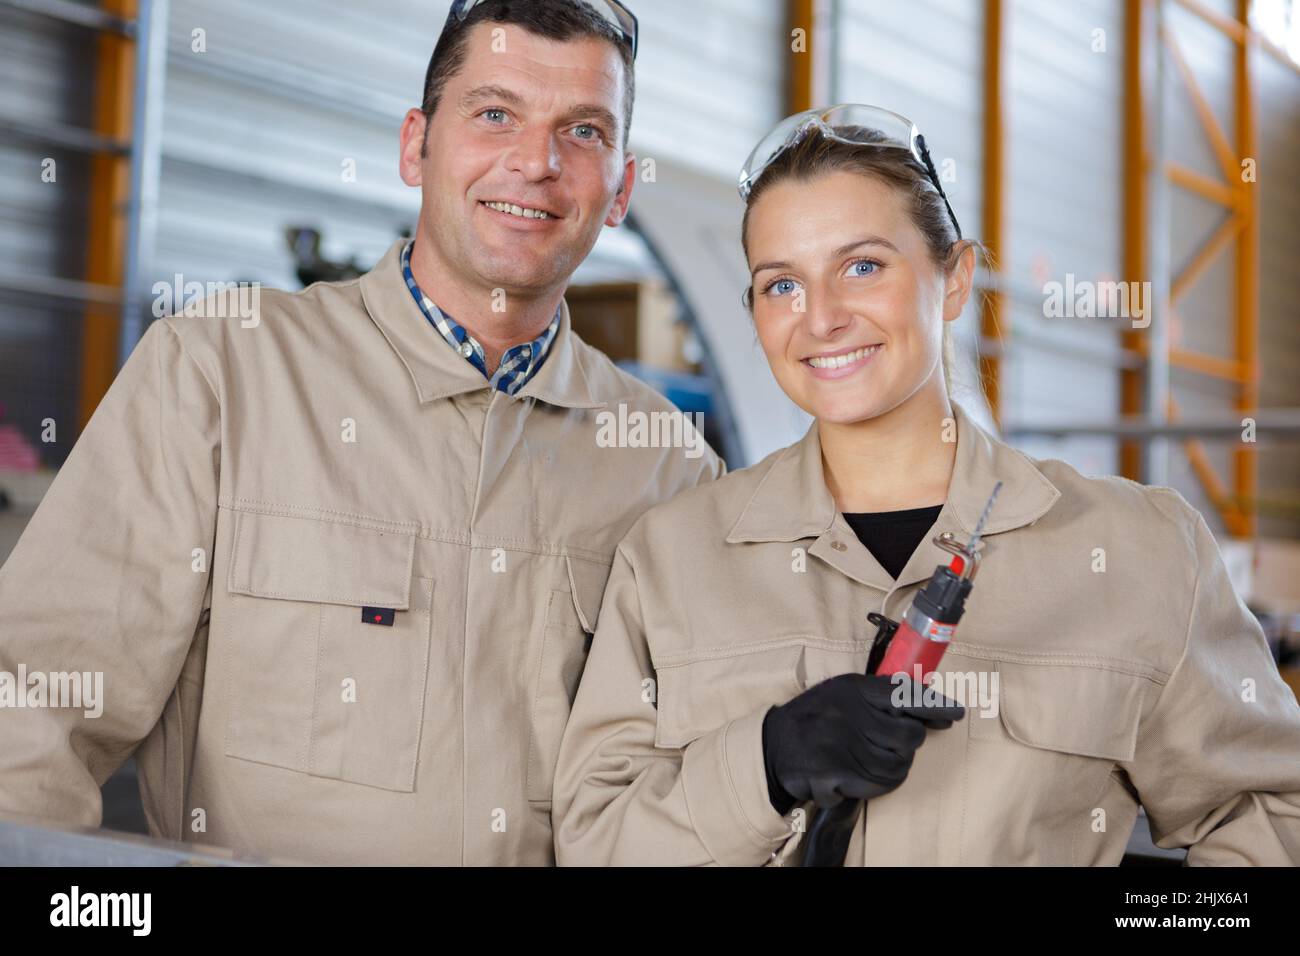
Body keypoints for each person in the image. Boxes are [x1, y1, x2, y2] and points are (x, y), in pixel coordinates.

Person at [0, 0, 723, 866]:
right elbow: (35, 713)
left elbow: (690, 788)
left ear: (621, 191)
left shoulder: (667, 469)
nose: (537, 162)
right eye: (495, 114)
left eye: (584, 131)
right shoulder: (223, 373)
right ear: (416, 145)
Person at [552, 105, 1300, 866]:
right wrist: (767, 765)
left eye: (863, 266)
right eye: (781, 285)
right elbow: (595, 840)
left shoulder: (1137, 552)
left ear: (954, 278)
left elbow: (1269, 816)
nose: (822, 319)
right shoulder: (674, 559)